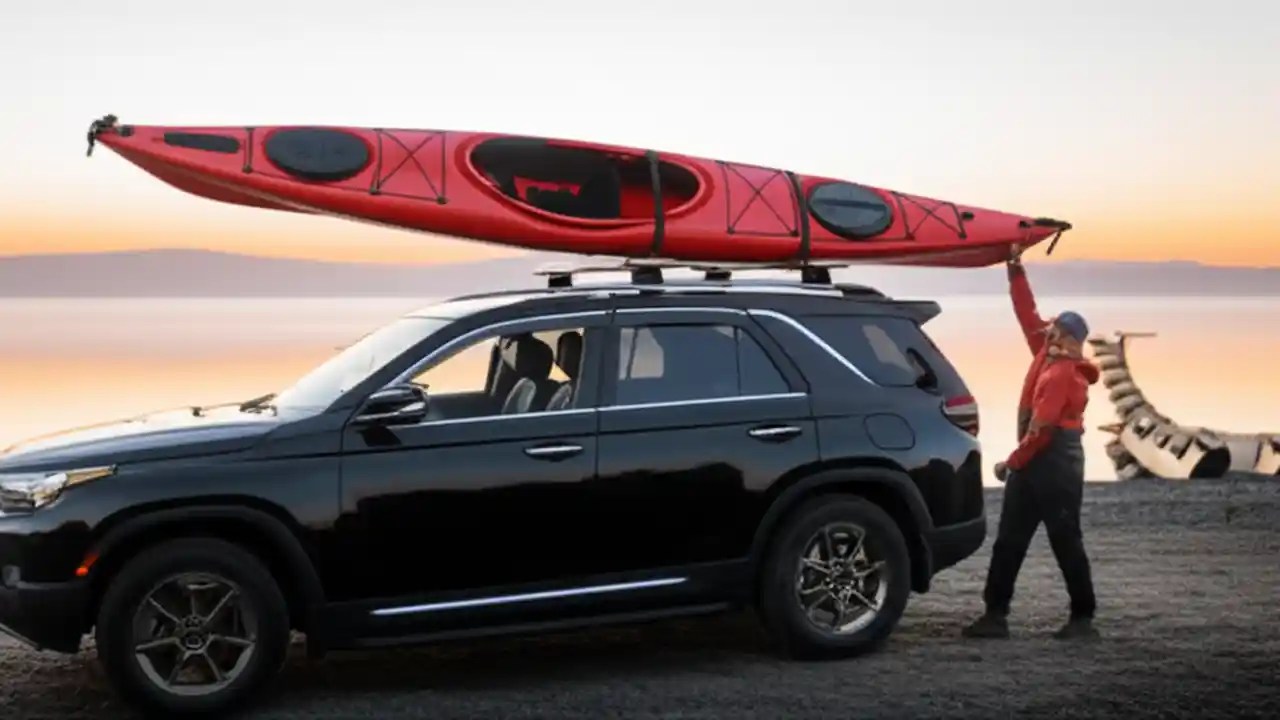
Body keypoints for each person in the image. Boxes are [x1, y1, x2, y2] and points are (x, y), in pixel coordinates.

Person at [962, 245, 1101, 641]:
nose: (1046, 331)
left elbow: (1042, 430)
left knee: (1065, 539)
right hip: (1037, 458)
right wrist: (1014, 268)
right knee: (1010, 540)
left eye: (1054, 328)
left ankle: (1082, 619)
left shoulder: (1063, 374)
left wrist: (1011, 463)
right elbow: (1027, 314)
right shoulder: (1046, 354)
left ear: (1069, 338)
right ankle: (995, 616)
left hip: (1055, 462)